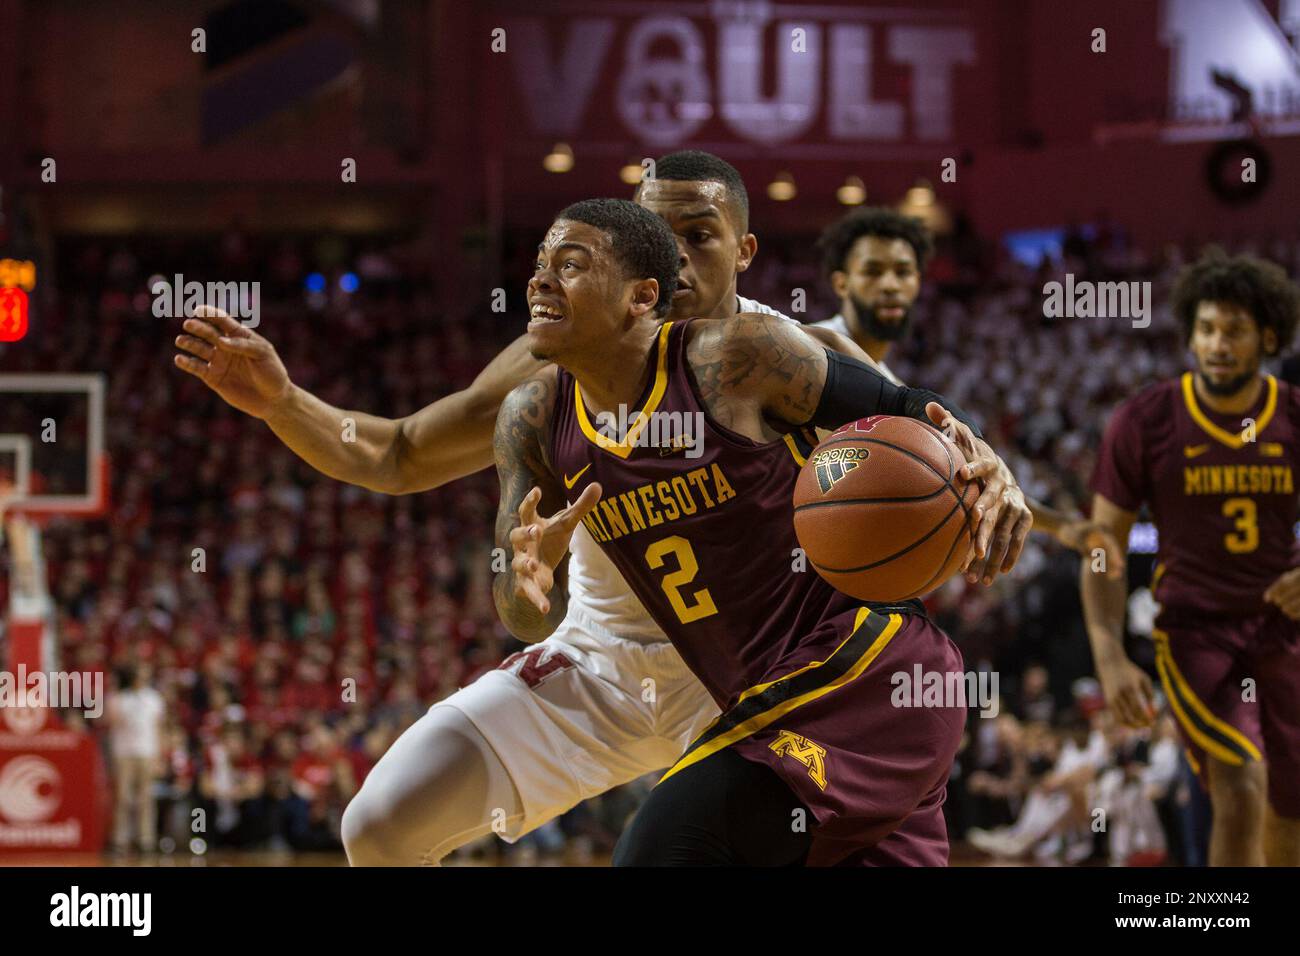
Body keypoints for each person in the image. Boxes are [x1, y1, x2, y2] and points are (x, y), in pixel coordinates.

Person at [174, 152, 1026, 865]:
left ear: (746, 251)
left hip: (758, 674)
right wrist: (284, 401)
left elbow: (925, 434)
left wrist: (991, 470)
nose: (674, 259)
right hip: (604, 661)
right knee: (381, 825)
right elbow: (397, 454)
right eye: (654, 236)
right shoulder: (547, 382)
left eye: (698, 237)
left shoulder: (775, 354)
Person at [493, 197, 1033, 865]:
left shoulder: (736, 358)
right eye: (540, 263)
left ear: (641, 296)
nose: (540, 279)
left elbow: (904, 406)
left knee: (660, 850)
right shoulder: (531, 418)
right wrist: (527, 584)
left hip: (864, 669)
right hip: (765, 703)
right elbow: (520, 615)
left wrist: (989, 463)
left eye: (568, 264)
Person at [1082, 250, 1300, 865]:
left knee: (1290, 808)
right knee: (1241, 786)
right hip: (1194, 632)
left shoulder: (1293, 416)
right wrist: (1108, 655)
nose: (1217, 344)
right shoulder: (1146, 421)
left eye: (1234, 331)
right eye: (1206, 330)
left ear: (1269, 336)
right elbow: (1103, 548)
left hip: (1283, 632)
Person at [812, 206, 1123, 572]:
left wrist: (1067, 528)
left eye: (903, 272)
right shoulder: (809, 354)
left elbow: (972, 475)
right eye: (873, 271)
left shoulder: (893, 388)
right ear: (841, 283)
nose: (891, 285)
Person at [106, 662, 166, 853]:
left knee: (146, 798)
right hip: (124, 752)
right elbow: (112, 722)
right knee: (123, 798)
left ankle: (146, 839)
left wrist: (159, 757)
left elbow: (159, 728)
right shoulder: (119, 698)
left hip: (147, 752)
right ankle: (120, 839)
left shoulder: (154, 699)